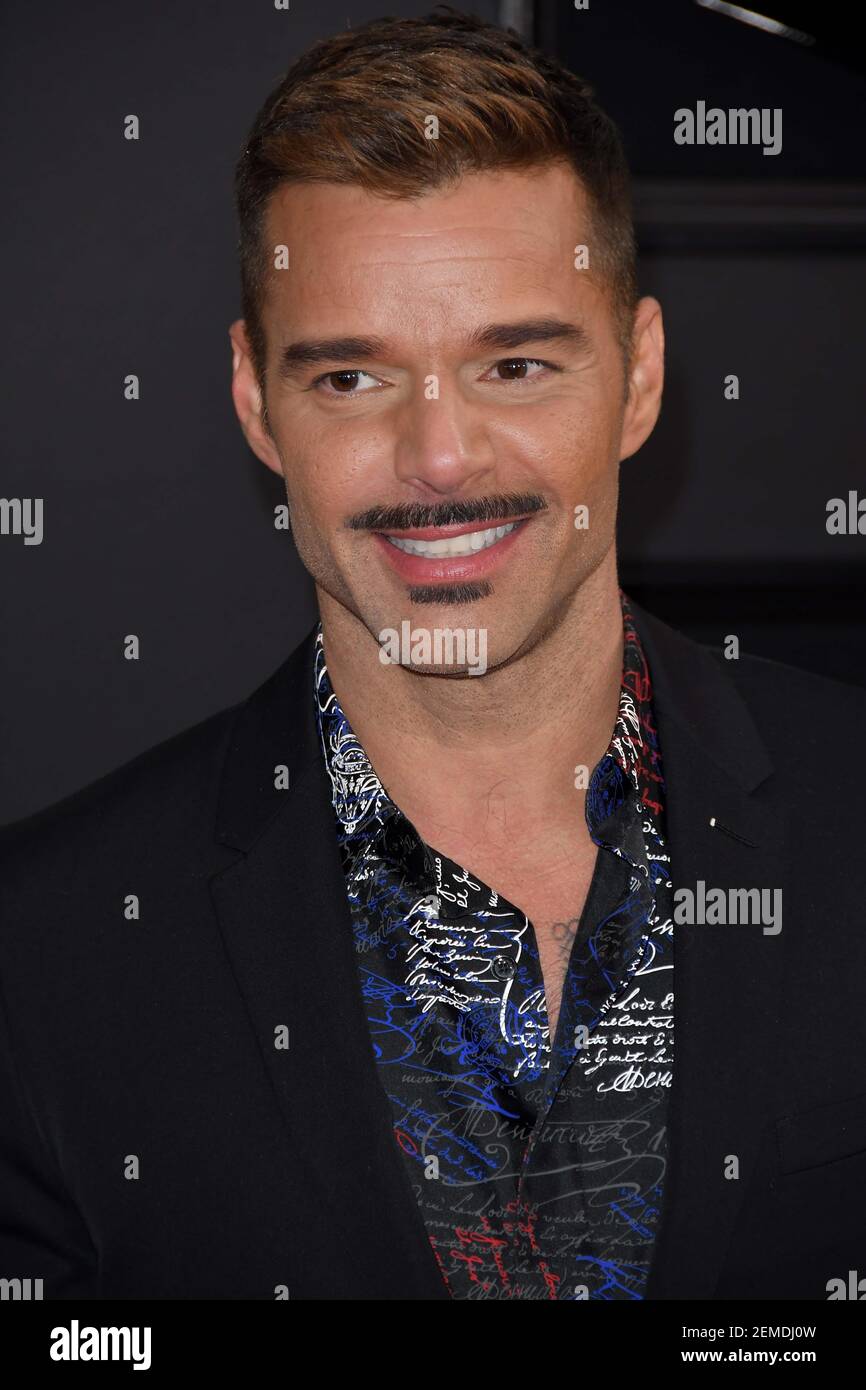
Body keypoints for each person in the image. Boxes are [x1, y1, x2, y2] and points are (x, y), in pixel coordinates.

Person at [1, 7, 864, 1302]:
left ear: (637, 376)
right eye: (350, 378)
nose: (441, 458)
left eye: (513, 363)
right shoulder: (43, 957)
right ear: (255, 401)